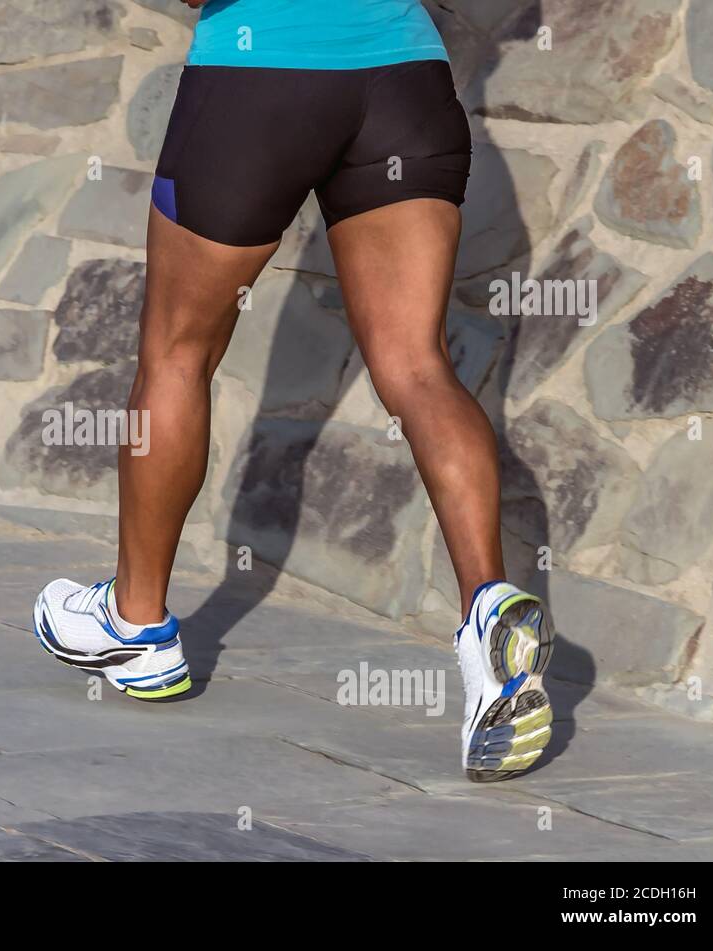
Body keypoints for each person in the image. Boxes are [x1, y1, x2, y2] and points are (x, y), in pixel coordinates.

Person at [32, 0, 553, 782]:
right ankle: (487, 609)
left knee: (175, 353)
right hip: (404, 82)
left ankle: (137, 623)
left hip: (259, 77)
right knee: (417, 366)